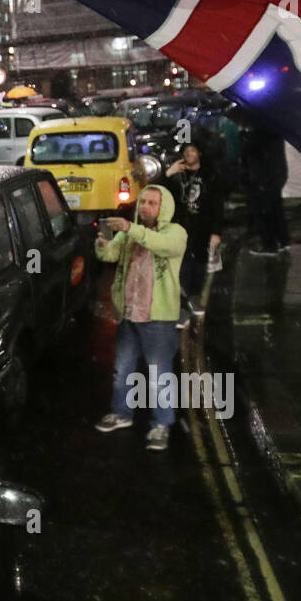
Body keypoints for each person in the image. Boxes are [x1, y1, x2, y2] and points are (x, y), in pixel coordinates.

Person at [92, 184, 188, 451]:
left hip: (157, 317)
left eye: (151, 203)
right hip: (129, 314)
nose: (145, 207)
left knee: (159, 374)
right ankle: (122, 413)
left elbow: (161, 245)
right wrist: (102, 244)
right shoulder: (129, 233)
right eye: (142, 202)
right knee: (122, 369)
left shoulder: (175, 233)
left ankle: (162, 424)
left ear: (163, 207)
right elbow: (111, 254)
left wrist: (129, 229)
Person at [164, 143, 224, 313]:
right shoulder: (178, 175)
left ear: (200, 153)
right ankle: (183, 298)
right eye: (186, 151)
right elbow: (160, 193)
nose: (189, 154)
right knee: (182, 262)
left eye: (193, 151)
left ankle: (195, 297)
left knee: (199, 262)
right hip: (181, 226)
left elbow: (218, 206)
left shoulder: (210, 176)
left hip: (202, 226)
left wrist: (216, 231)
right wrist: (169, 173)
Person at [240, 117, 289, 254]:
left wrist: (243, 134)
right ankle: (283, 240)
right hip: (275, 178)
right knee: (276, 211)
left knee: (263, 213)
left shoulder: (259, 134)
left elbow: (250, 150)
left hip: (262, 180)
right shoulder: (275, 131)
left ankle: (269, 246)